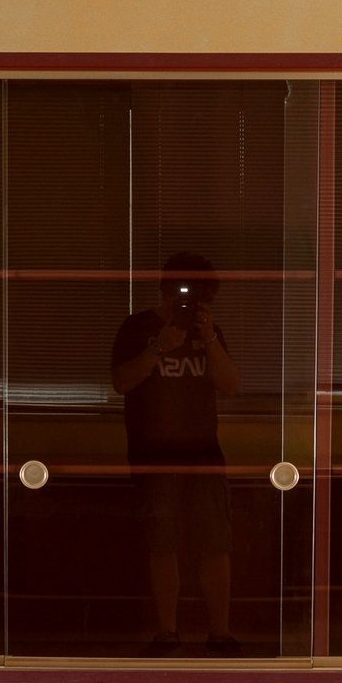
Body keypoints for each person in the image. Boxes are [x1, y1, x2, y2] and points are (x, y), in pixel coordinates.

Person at [111, 252, 242, 655]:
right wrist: (158, 347)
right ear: (165, 289)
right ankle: (167, 632)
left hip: (203, 453)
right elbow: (121, 382)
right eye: (182, 291)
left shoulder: (210, 330)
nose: (188, 300)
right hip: (154, 454)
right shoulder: (137, 327)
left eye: (200, 294)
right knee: (162, 543)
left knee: (215, 543)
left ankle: (219, 633)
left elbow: (231, 385)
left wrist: (209, 341)